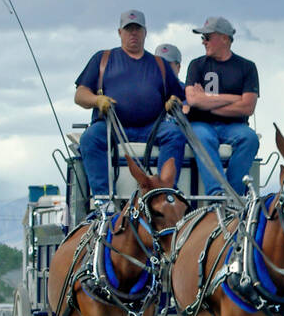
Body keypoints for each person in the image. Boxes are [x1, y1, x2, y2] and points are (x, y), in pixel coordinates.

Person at [75, 10, 186, 197]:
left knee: (175, 135)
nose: (133, 34)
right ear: (120, 32)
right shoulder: (103, 59)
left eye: (137, 29)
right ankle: (103, 198)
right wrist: (97, 100)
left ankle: (164, 193)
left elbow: (177, 96)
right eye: (128, 29)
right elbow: (80, 95)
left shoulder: (159, 64)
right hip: (112, 127)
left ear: (145, 32)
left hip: (152, 128)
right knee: (90, 138)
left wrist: (174, 101)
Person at [183, 16, 259, 195]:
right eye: (203, 38)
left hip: (234, 126)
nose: (203, 42)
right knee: (202, 138)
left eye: (207, 37)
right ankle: (217, 193)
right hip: (201, 124)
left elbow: (248, 107)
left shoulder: (247, 67)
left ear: (225, 38)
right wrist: (234, 98)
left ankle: (234, 194)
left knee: (250, 139)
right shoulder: (196, 65)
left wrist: (207, 102)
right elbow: (193, 100)